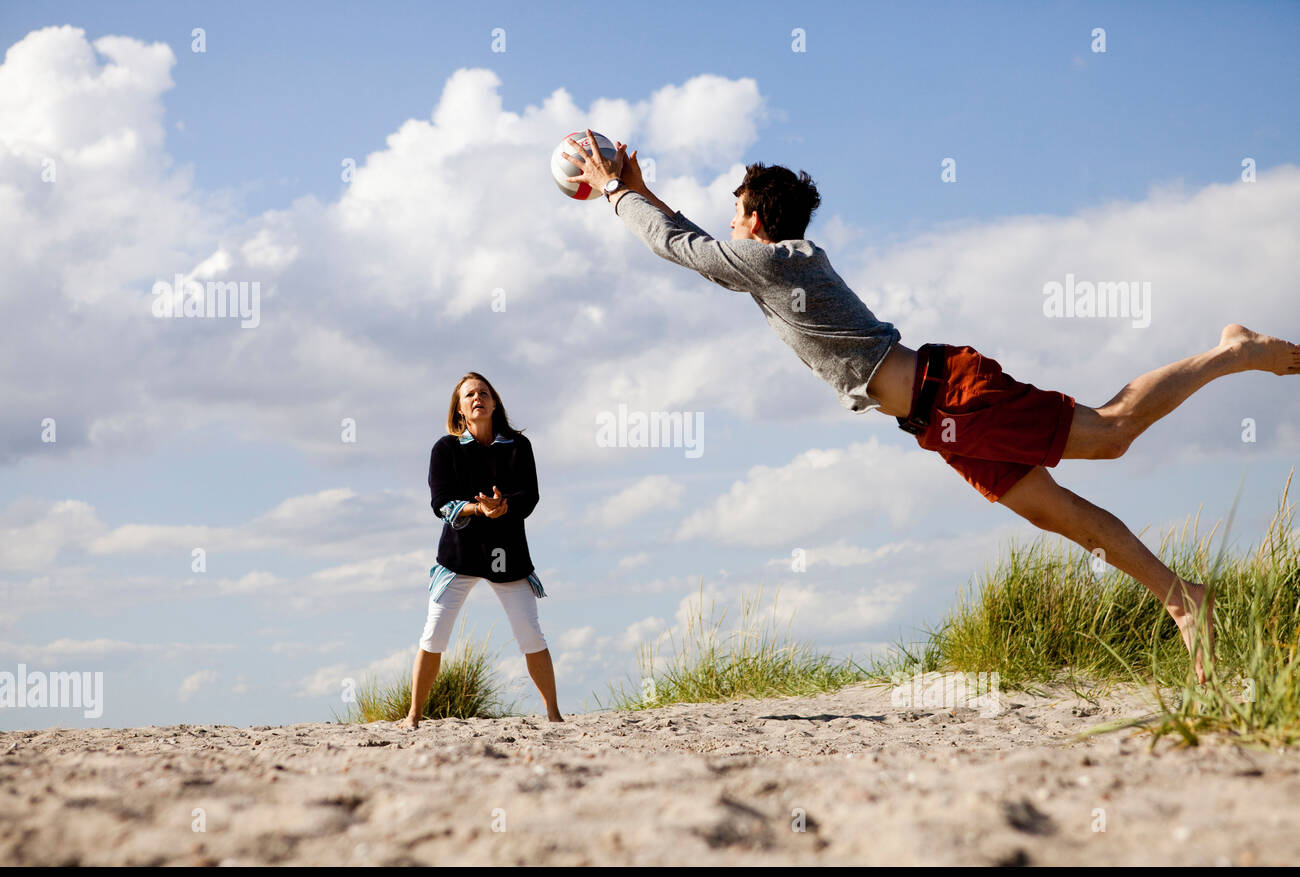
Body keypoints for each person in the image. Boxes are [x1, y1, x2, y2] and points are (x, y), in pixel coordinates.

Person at [563, 130, 1300, 684]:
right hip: (935, 421)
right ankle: (1184, 600)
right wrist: (637, 184)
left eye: (735, 211)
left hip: (955, 394)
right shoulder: (772, 264)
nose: (728, 222)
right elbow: (688, 237)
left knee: (1111, 433)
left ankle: (1232, 351)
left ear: (756, 220)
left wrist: (612, 189)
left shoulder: (774, 262)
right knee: (1064, 515)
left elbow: (679, 247)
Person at [397, 372, 562, 728]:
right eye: (470, 394)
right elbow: (439, 501)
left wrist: (504, 505)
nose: (478, 398)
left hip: (508, 553)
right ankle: (414, 714)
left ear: (495, 402)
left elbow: (529, 496)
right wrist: (476, 508)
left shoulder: (519, 446)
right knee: (435, 632)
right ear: (459, 409)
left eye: (484, 392)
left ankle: (554, 712)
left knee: (530, 633)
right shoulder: (446, 449)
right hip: (458, 554)